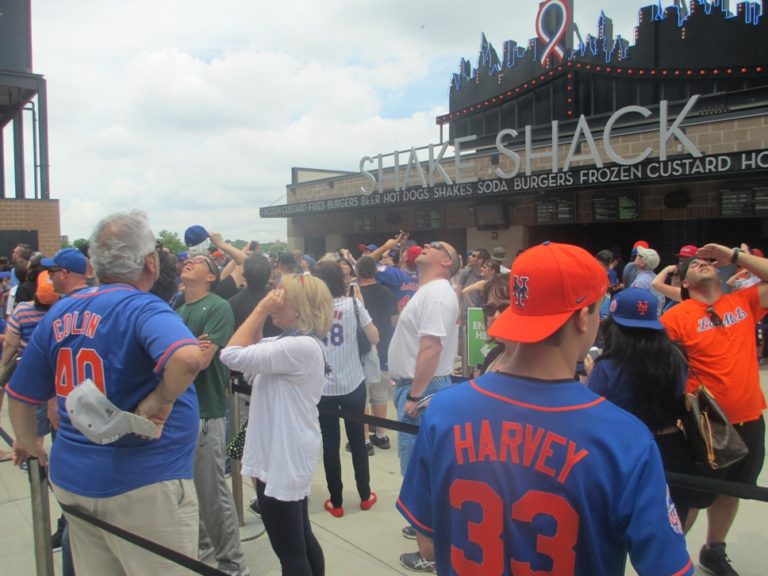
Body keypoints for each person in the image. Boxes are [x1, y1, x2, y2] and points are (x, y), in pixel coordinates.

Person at [396, 242, 694, 576]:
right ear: (583, 317)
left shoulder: (444, 411)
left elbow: (427, 544)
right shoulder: (625, 438)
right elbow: (667, 568)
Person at [6, 211, 204, 575]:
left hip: (75, 481)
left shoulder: (61, 310)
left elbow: (20, 392)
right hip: (144, 484)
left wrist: (27, 441)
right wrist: (160, 400)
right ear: (149, 262)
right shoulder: (142, 306)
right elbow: (188, 357)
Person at [661, 244, 768, 576]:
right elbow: (664, 374)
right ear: (685, 283)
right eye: (694, 264)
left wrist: (733, 256)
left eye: (708, 261)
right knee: (694, 497)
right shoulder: (674, 317)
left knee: (733, 489)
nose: (704, 264)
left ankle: (713, 550)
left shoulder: (743, 302)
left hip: (750, 417)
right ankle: (668, 562)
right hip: (706, 423)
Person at [220, 274, 332, 576]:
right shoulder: (291, 344)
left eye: (282, 298)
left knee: (290, 551)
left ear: (298, 308)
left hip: (283, 453)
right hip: (284, 448)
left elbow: (231, 355)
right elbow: (253, 346)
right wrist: (263, 312)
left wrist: (258, 308)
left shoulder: (299, 347)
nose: (274, 303)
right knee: (300, 538)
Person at [586, 287, 716, 527]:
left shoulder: (606, 367)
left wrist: (589, 376)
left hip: (624, 454)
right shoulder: (675, 358)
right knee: (670, 528)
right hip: (673, 450)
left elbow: (591, 415)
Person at [389, 240, 460, 566]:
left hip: (424, 391)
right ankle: (425, 528)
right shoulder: (431, 291)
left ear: (447, 261)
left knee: (423, 471)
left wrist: (415, 395)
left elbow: (431, 348)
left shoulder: (437, 293)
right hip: (418, 387)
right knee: (419, 468)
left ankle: (430, 553)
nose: (426, 246)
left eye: (436, 246)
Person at [177, 253, 248, 576]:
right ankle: (204, 544)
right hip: (182, 412)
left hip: (208, 411)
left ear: (210, 276)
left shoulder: (218, 307)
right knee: (189, 491)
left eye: (200, 260)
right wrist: (190, 346)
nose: (190, 261)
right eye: (189, 259)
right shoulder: (178, 309)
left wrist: (181, 349)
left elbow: (200, 362)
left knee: (213, 491)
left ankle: (232, 561)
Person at [313, 260, 379, 514]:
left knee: (330, 442)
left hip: (323, 387)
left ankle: (337, 502)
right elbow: (374, 336)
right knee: (357, 441)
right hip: (353, 383)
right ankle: (364, 495)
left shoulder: (310, 309)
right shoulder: (353, 304)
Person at [356, 255, 398, 450]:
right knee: (380, 394)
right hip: (384, 348)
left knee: (362, 396)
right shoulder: (387, 292)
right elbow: (394, 321)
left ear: (357, 272)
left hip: (361, 350)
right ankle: (381, 435)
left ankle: (364, 439)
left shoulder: (354, 296)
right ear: (375, 272)